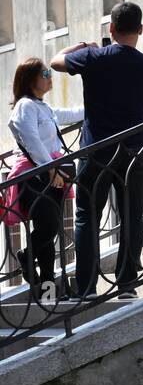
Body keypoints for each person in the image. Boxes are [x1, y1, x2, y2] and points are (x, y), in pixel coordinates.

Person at [51, 1, 143, 300]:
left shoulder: (93, 57)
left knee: (87, 215)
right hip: (134, 149)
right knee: (132, 215)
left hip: (96, 149)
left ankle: (85, 287)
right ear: (140, 30)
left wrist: (83, 45)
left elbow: (55, 61)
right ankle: (125, 284)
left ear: (111, 28)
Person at [5, 58, 81, 296]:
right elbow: (30, 138)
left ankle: (48, 289)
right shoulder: (24, 106)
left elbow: (73, 113)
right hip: (34, 174)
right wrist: (50, 168)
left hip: (52, 173)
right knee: (47, 227)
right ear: (30, 79)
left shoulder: (44, 108)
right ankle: (27, 257)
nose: (51, 76)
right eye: (45, 72)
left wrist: (104, 105)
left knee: (51, 230)